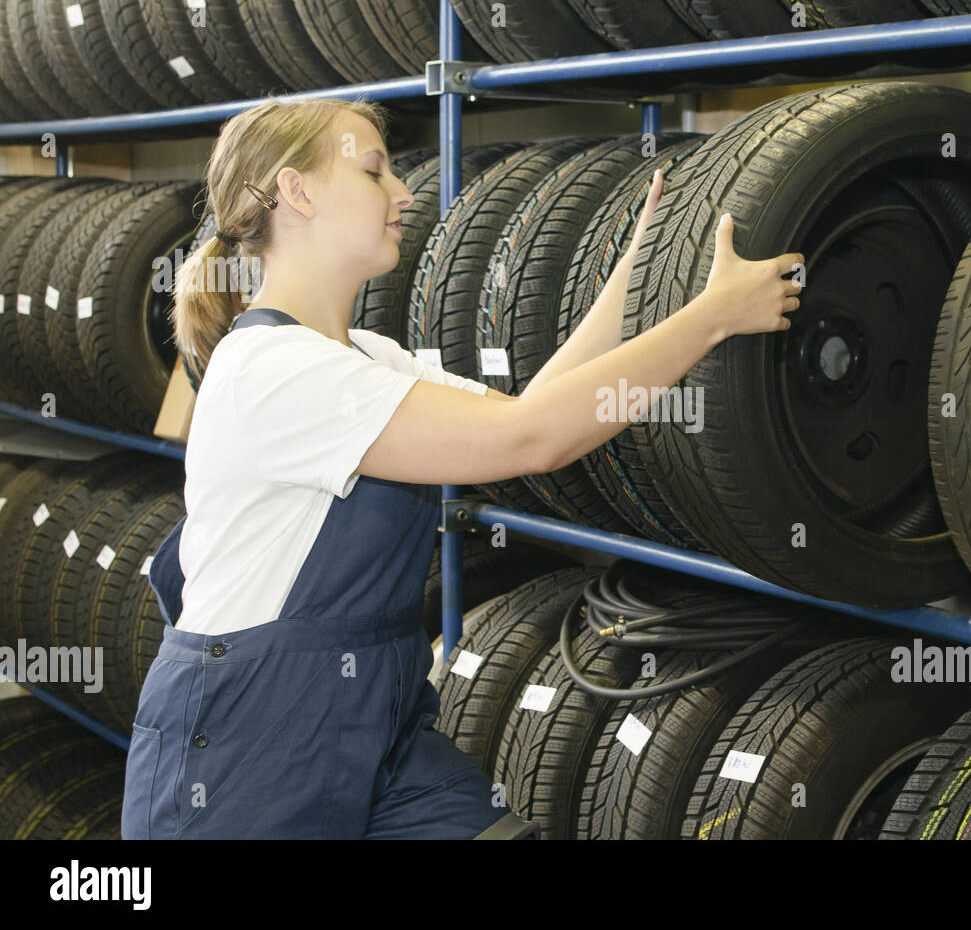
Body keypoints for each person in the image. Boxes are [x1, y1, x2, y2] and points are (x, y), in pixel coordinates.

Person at [120, 96, 803, 839]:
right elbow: (532, 439)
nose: (403, 192)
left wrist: (639, 271)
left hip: (373, 728)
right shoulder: (272, 368)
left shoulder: (367, 358)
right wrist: (713, 317)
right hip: (245, 750)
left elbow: (530, 408)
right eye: (374, 171)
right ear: (298, 191)